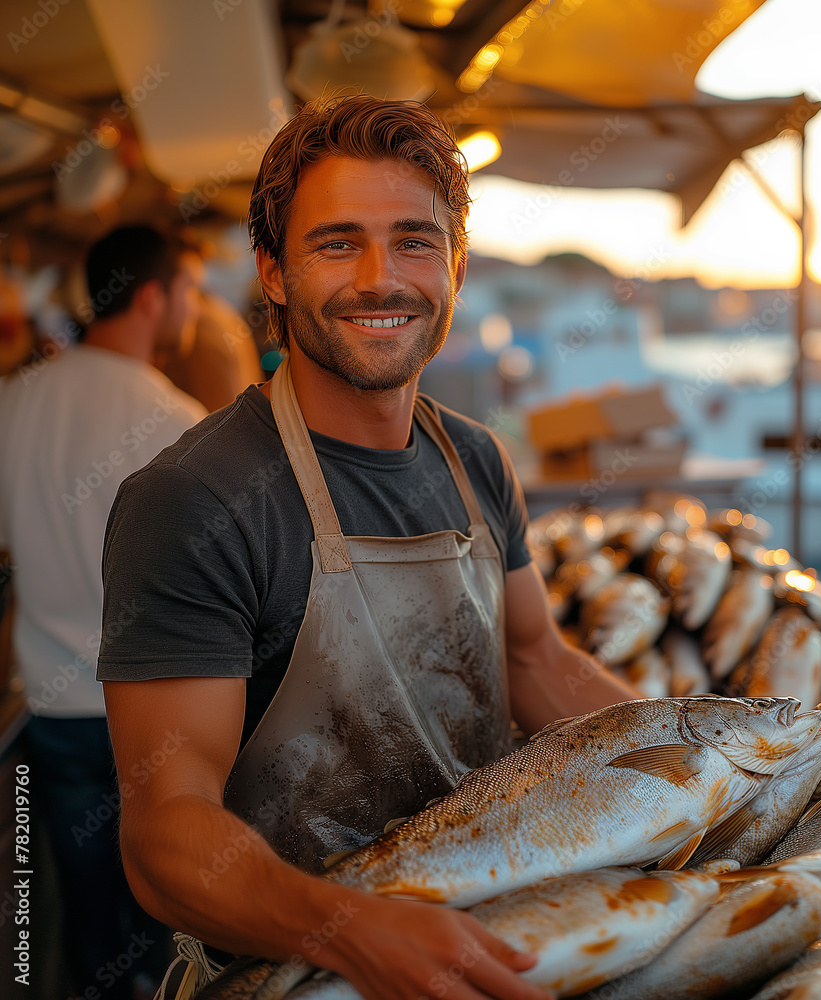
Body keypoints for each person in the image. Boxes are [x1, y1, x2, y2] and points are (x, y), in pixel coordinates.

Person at [97, 97, 636, 1000]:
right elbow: (164, 828)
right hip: (294, 976)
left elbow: (537, 659)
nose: (381, 279)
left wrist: (707, 751)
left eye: (415, 241)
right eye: (338, 242)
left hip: (492, 947)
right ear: (274, 272)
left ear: (455, 267)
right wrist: (345, 930)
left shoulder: (474, 458)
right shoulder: (196, 500)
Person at [0, 225, 207, 1000]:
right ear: (153, 297)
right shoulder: (182, 422)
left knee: (88, 918)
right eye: (187, 289)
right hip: (148, 714)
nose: (192, 305)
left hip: (52, 705)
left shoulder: (16, 401)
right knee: (167, 916)